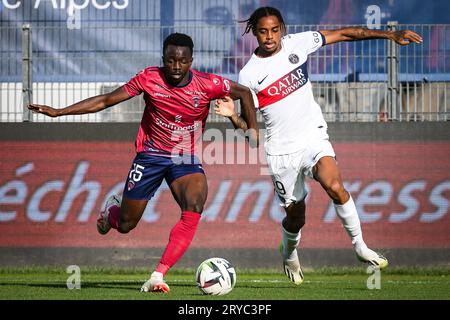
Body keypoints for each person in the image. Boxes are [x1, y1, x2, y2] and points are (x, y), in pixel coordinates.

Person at [28, 33, 258, 293]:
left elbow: (244, 93)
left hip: (184, 158)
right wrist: (59, 112)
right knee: (126, 225)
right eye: (170, 60)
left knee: (194, 204)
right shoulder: (149, 78)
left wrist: (251, 129)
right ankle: (110, 214)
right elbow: (105, 101)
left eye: (182, 61)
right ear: (163, 59)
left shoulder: (207, 84)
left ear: (191, 61)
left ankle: (158, 275)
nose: (176, 66)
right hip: (150, 156)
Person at [215, 6, 422, 285]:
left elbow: (346, 34)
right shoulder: (248, 75)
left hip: (313, 136)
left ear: (282, 29)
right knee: (296, 218)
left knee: (334, 186)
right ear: (254, 32)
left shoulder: (297, 44)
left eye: (274, 30)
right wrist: (233, 117)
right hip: (281, 152)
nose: (269, 36)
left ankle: (359, 246)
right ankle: (289, 251)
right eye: (263, 31)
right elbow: (252, 135)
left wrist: (389, 34)